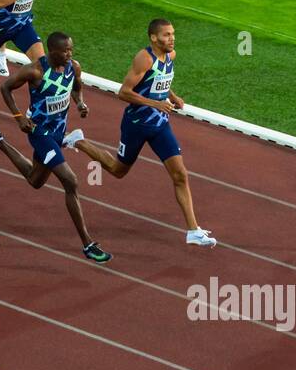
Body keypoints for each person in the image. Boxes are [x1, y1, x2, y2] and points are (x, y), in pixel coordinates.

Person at [65, 19, 217, 248]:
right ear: (153, 38)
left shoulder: (171, 56)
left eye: (173, 34)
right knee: (118, 170)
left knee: (180, 175)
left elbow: (158, 81)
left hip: (160, 124)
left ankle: (193, 231)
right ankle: (79, 141)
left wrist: (172, 96)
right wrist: (155, 104)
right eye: (166, 35)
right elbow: (124, 92)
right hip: (136, 123)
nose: (172, 38)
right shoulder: (144, 58)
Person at [0, 33, 109, 263]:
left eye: (71, 49)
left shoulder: (73, 67)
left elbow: (76, 88)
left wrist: (80, 103)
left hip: (57, 132)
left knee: (35, 181)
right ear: (52, 51)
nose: (70, 54)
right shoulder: (35, 71)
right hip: (38, 132)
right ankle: (87, 243)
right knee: (71, 181)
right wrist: (18, 118)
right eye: (65, 51)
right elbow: (5, 88)